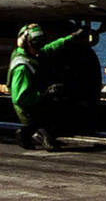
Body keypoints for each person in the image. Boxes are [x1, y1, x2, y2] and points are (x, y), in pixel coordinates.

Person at [8, 23, 90, 151]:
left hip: (33, 101)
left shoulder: (29, 53)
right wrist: (45, 94)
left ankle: (27, 132)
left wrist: (73, 37)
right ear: (27, 43)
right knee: (62, 114)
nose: (39, 48)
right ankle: (34, 132)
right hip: (27, 108)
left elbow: (51, 48)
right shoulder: (22, 67)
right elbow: (19, 98)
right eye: (36, 45)